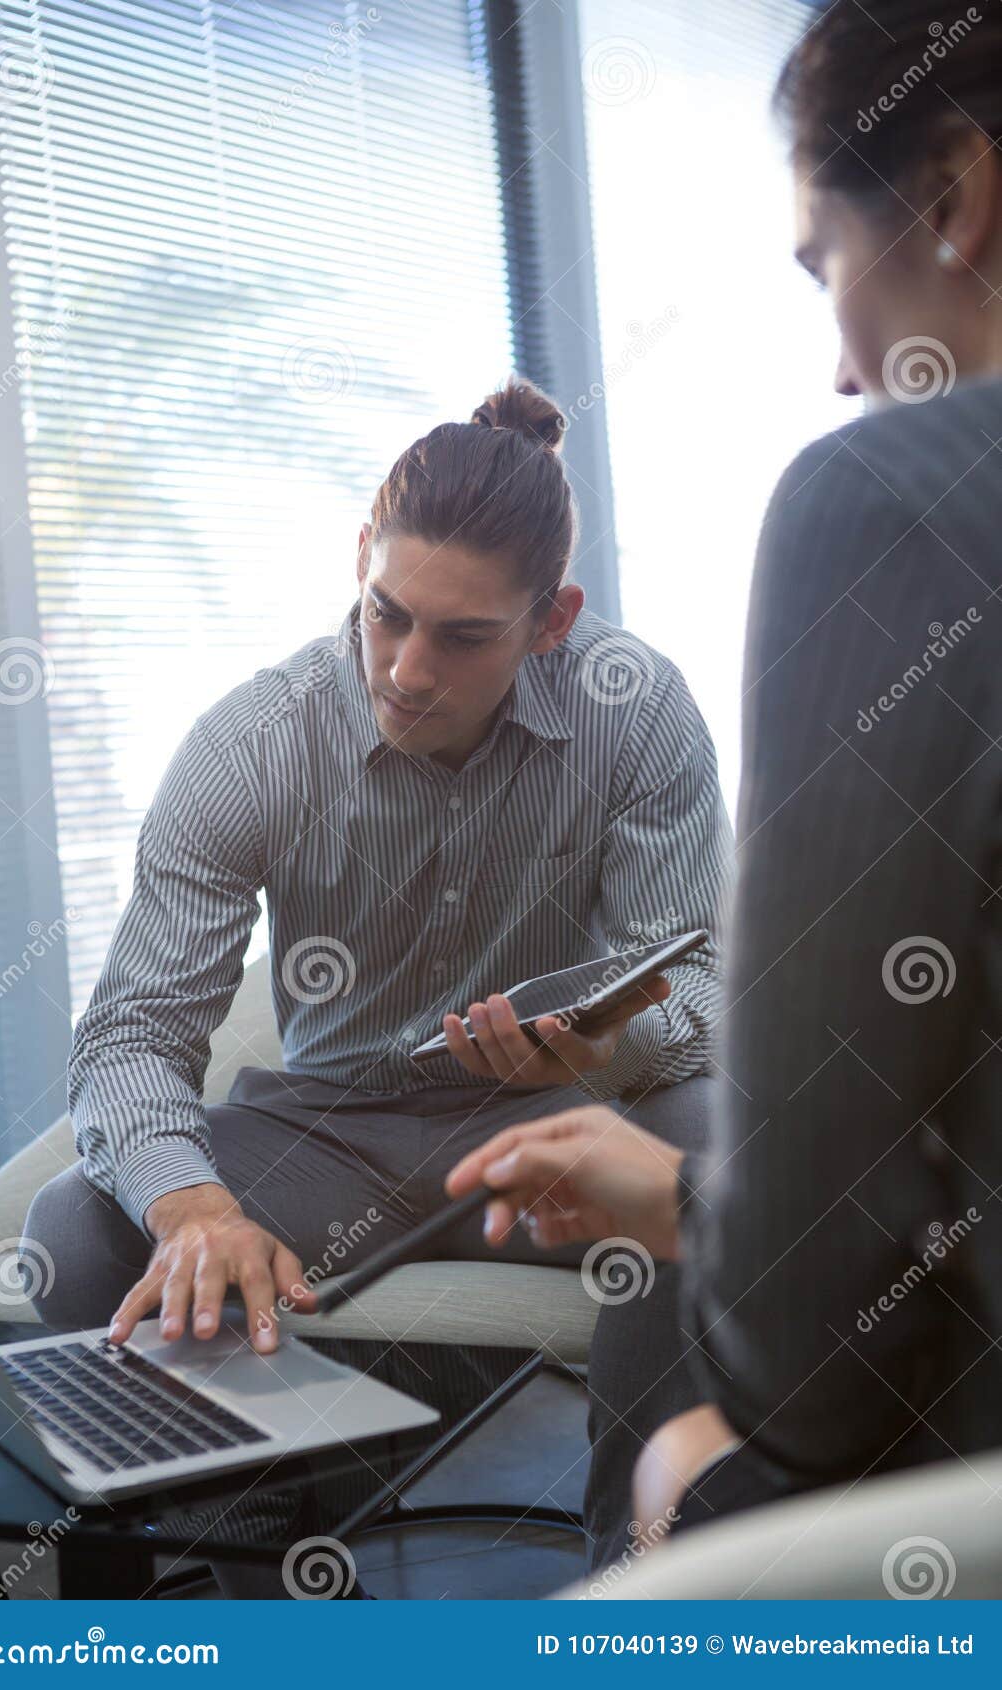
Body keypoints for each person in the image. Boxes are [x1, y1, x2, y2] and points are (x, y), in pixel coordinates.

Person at [449, 0, 1002, 1550]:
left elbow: (806, 1344)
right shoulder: (275, 740)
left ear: (953, 195)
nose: (839, 369)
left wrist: (706, 1251)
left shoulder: (883, 504)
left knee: (690, 1453)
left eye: (823, 269)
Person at [21, 376, 732, 1574]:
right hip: (337, 1130)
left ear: (550, 621)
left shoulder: (635, 707)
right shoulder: (253, 745)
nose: (404, 669)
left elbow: (703, 989)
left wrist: (611, 1043)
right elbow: (131, 1036)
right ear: (359, 559)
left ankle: (645, 1586)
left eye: (462, 638)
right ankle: (262, 1572)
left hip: (565, 1123)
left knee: (724, 1175)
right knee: (80, 1232)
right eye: (385, 614)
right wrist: (194, 1210)